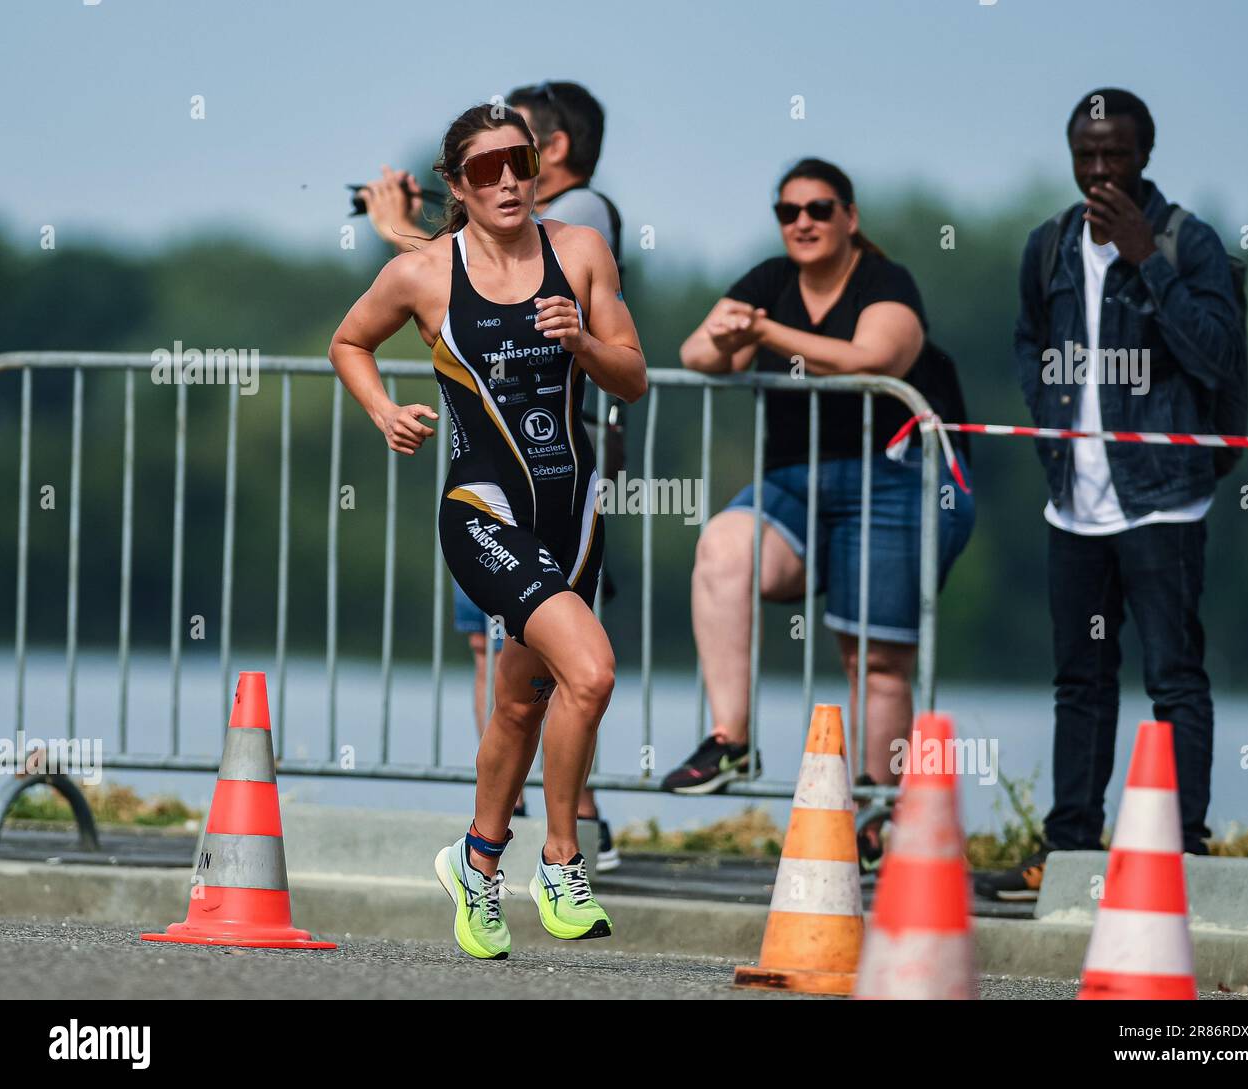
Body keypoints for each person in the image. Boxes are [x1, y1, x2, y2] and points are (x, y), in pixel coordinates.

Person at [329, 104, 647, 959]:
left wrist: (582, 339)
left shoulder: (579, 252)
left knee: (519, 698)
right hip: (484, 514)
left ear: (540, 166)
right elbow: (349, 341)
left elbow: (636, 376)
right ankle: (560, 859)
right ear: (455, 184)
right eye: (483, 168)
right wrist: (384, 409)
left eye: (520, 161)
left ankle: (474, 863)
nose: (506, 179)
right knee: (592, 669)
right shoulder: (426, 272)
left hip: (573, 516)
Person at [662, 157, 975, 868]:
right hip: (796, 483)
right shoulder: (768, 279)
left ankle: (872, 812)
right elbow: (693, 352)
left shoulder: (886, 283)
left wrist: (764, 334)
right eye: (788, 211)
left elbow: (875, 357)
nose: (801, 221)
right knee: (722, 547)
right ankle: (730, 741)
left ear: (850, 217)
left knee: (875, 656)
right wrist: (730, 335)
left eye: (819, 208)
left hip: (891, 478)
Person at [981, 89, 1245, 901]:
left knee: (1173, 677)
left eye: (1116, 154)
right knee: (1079, 680)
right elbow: (1030, 340)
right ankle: (1066, 852)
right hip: (1074, 500)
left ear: (1145, 155)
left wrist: (1147, 261)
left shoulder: (1184, 240)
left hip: (1163, 499)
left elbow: (1214, 357)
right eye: (1087, 154)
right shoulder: (1051, 244)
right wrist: (1047, 417)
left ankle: (1183, 853)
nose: (1100, 170)